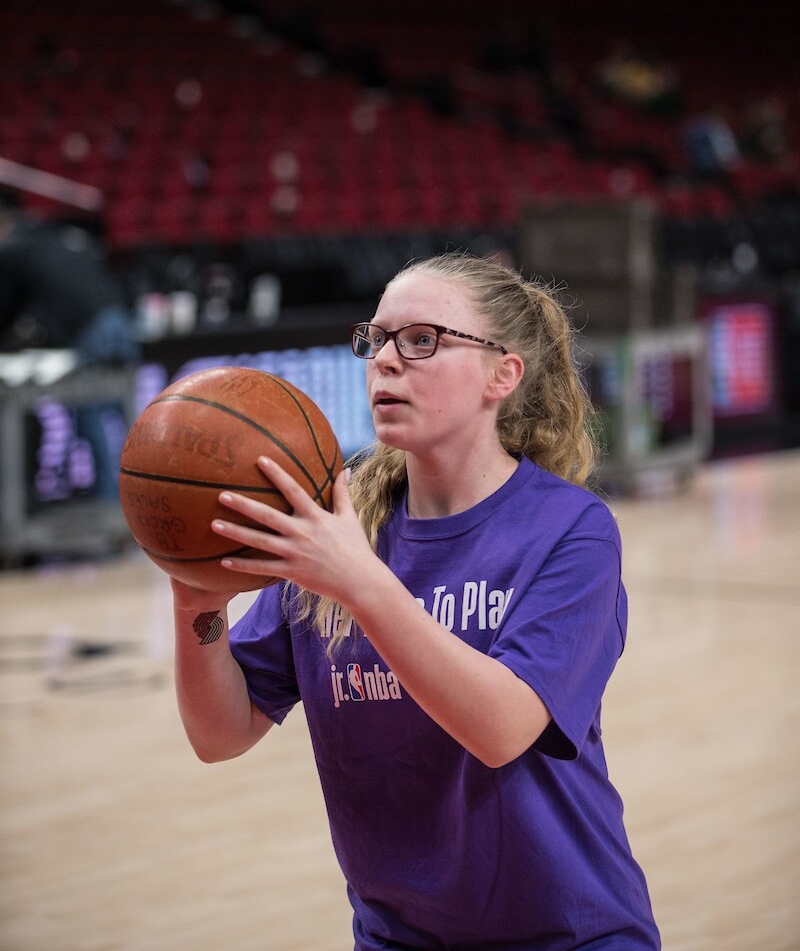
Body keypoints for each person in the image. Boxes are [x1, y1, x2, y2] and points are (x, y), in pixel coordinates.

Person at [171, 251, 661, 950]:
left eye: (422, 340)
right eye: (376, 339)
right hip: (397, 938)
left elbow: (501, 730)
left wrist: (360, 583)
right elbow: (220, 734)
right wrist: (197, 608)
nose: (387, 361)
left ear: (504, 374)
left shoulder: (571, 530)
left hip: (568, 932)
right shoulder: (341, 525)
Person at [0, 189, 140, 497]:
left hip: (92, 330)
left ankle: (109, 504)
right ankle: (142, 496)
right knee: (129, 418)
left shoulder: (15, 247)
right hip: (120, 319)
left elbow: (8, 304)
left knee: (91, 414)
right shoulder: (55, 235)